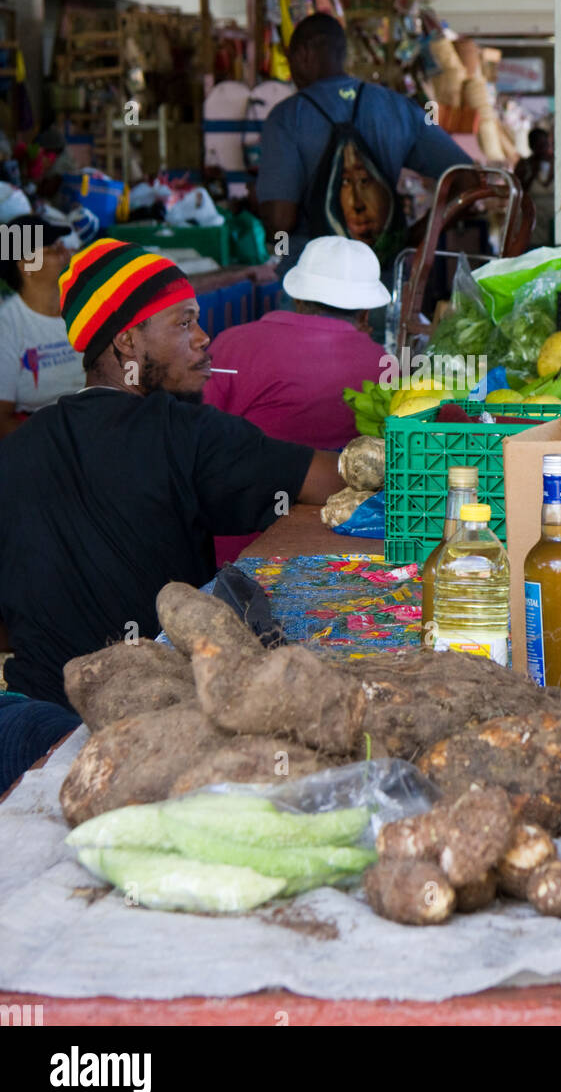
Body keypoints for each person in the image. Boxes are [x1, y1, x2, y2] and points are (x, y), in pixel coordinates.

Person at [0, 238, 342, 793]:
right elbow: (335, 476)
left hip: (25, 732)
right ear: (127, 340)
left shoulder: (14, 452)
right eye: (184, 324)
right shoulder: (185, 434)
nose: (204, 339)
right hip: (142, 738)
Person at [204, 235, 388, 564]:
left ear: (298, 298)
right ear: (365, 311)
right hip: (346, 551)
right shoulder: (382, 363)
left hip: (235, 551)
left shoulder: (231, 344)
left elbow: (198, 443)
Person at [256, 13, 473, 269]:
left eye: (288, 58)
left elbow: (280, 221)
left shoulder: (287, 117)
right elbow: (468, 180)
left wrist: (256, 205)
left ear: (302, 53)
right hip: (379, 280)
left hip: (310, 280)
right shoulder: (398, 107)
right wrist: (418, 235)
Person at [0, 213, 84, 438]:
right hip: (45, 440)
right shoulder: (7, 327)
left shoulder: (84, 309)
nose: (66, 253)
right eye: (54, 250)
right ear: (27, 266)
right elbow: (2, 419)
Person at [515, 127, 555, 248]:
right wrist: (532, 173)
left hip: (553, 215)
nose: (543, 149)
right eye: (539, 146)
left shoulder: (558, 163)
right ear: (532, 147)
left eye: (545, 144)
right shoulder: (524, 165)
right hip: (533, 216)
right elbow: (518, 191)